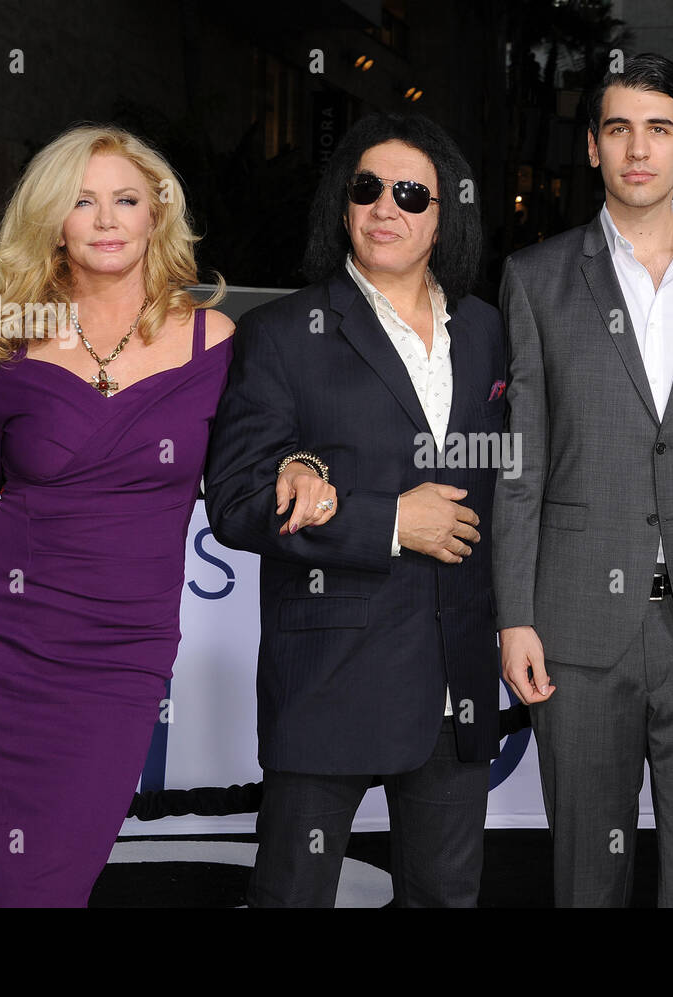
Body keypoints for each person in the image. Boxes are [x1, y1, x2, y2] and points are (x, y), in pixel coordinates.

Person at [0, 123, 245, 907]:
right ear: (53, 221)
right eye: (82, 200)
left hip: (121, 656)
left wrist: (312, 474)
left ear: (154, 216)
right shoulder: (10, 342)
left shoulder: (213, 340)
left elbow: (251, 470)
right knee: (13, 885)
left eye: (126, 199)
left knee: (52, 875)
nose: (106, 219)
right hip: (1, 645)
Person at [492, 52, 673, 907]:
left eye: (659, 129)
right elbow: (522, 462)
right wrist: (514, 613)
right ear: (593, 148)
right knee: (587, 875)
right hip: (576, 623)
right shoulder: (536, 278)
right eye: (618, 129)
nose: (638, 149)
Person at [204, 112, 505, 907]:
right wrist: (392, 523)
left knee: (443, 897)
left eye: (411, 193)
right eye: (366, 188)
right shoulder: (280, 334)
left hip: (456, 677)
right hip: (329, 677)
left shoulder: (486, 332)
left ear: (445, 215)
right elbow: (235, 499)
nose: (386, 208)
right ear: (343, 205)